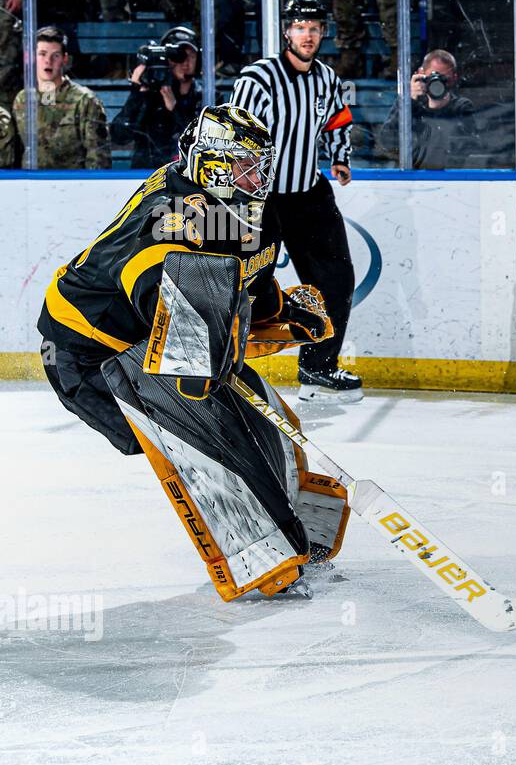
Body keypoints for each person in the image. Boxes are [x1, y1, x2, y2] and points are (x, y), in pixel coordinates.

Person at [36, 104, 347, 601]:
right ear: (214, 166)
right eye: (247, 165)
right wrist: (215, 352)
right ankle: (262, 561)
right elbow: (185, 343)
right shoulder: (172, 224)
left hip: (157, 336)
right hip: (89, 354)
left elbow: (250, 277)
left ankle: (297, 533)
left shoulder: (240, 207)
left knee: (268, 420)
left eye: (261, 164)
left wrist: (280, 311)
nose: (259, 176)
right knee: (208, 439)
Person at [232, 0, 363, 401]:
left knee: (336, 279)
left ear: (323, 33)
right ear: (286, 31)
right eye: (300, 27)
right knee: (245, 284)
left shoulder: (326, 78)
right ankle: (226, 366)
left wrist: (339, 158)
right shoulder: (258, 78)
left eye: (315, 28)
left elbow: (338, 120)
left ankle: (318, 366)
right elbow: (238, 132)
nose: (308, 35)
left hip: (309, 194)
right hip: (261, 199)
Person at [13, 26, 109, 169]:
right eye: (42, 54)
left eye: (55, 55)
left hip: (73, 185)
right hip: (31, 185)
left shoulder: (85, 100)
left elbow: (98, 158)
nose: (48, 61)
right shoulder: (22, 99)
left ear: (64, 59)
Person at [110, 26, 204, 169]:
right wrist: (137, 93)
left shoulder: (206, 96)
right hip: (146, 175)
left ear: (199, 59)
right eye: (178, 56)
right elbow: (119, 136)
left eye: (190, 56)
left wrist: (174, 108)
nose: (185, 62)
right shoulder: (150, 94)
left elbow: (201, 144)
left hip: (187, 175)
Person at [377, 48, 479, 169]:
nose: (438, 83)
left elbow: (466, 148)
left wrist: (438, 104)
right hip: (411, 179)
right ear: (421, 74)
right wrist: (408, 100)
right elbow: (386, 142)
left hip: (450, 180)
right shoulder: (409, 105)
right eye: (433, 77)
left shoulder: (462, 107)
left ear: (454, 78)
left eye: (444, 79)